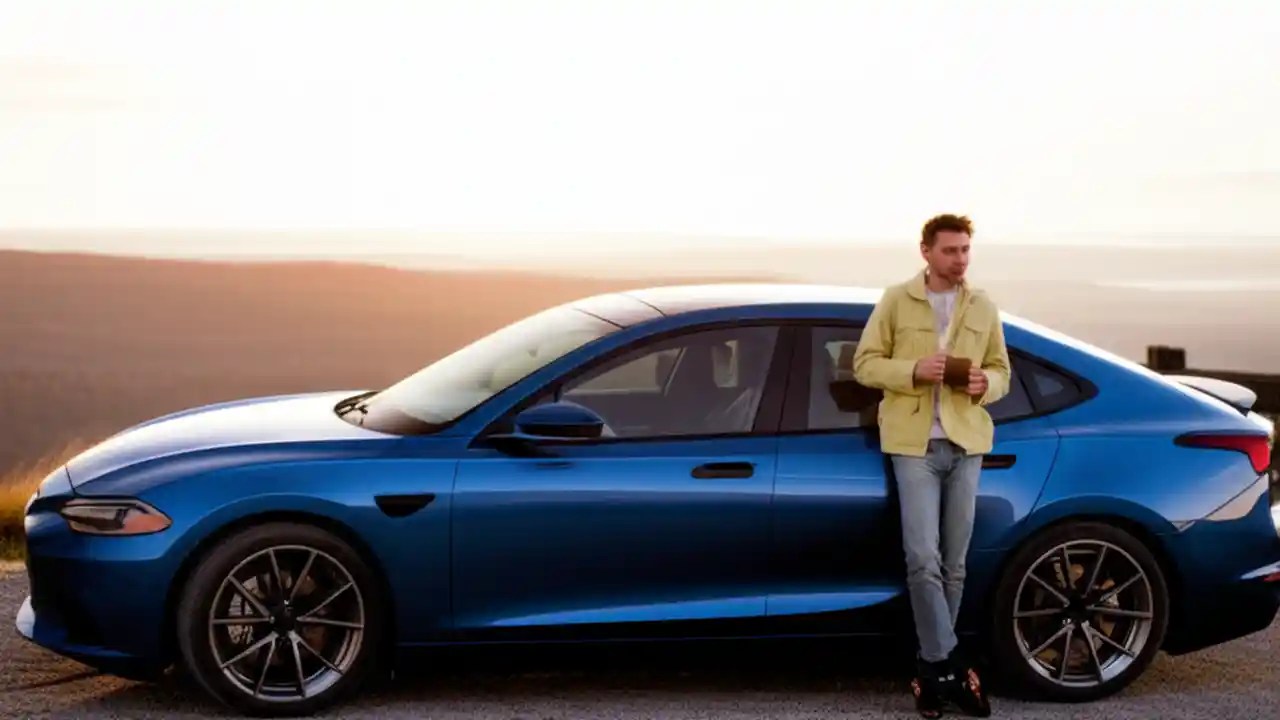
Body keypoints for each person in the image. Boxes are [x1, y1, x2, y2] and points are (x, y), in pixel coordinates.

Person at [853, 214, 1010, 718]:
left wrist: (987, 383)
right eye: (950, 251)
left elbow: (1002, 370)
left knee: (954, 565)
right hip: (913, 445)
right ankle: (952, 665)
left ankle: (931, 672)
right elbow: (864, 364)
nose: (960, 259)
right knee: (922, 557)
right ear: (926, 252)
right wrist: (914, 370)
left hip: (966, 444)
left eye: (965, 250)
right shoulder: (896, 300)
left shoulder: (983, 306)